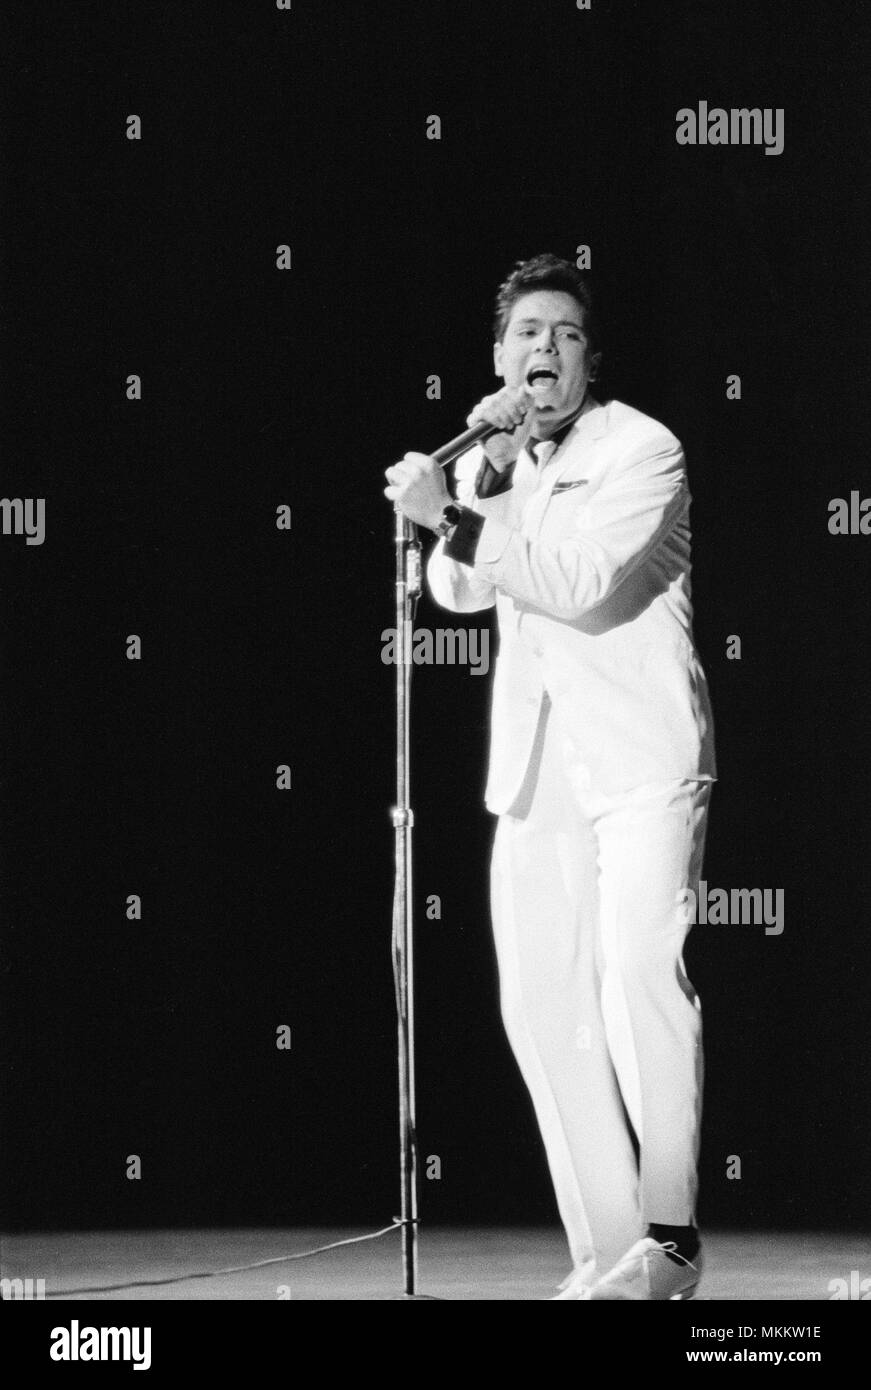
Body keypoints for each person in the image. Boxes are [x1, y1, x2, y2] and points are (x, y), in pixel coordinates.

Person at [383, 253, 716, 1301]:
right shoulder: (506, 461)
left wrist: (452, 513)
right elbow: (452, 587)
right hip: (535, 770)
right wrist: (477, 478)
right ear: (497, 355)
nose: (543, 350)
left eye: (565, 334)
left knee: (634, 981)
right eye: (526, 332)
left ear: (589, 358)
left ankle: (670, 1239)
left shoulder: (642, 449)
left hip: (637, 760)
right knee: (541, 1004)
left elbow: (574, 583)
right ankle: (608, 1251)